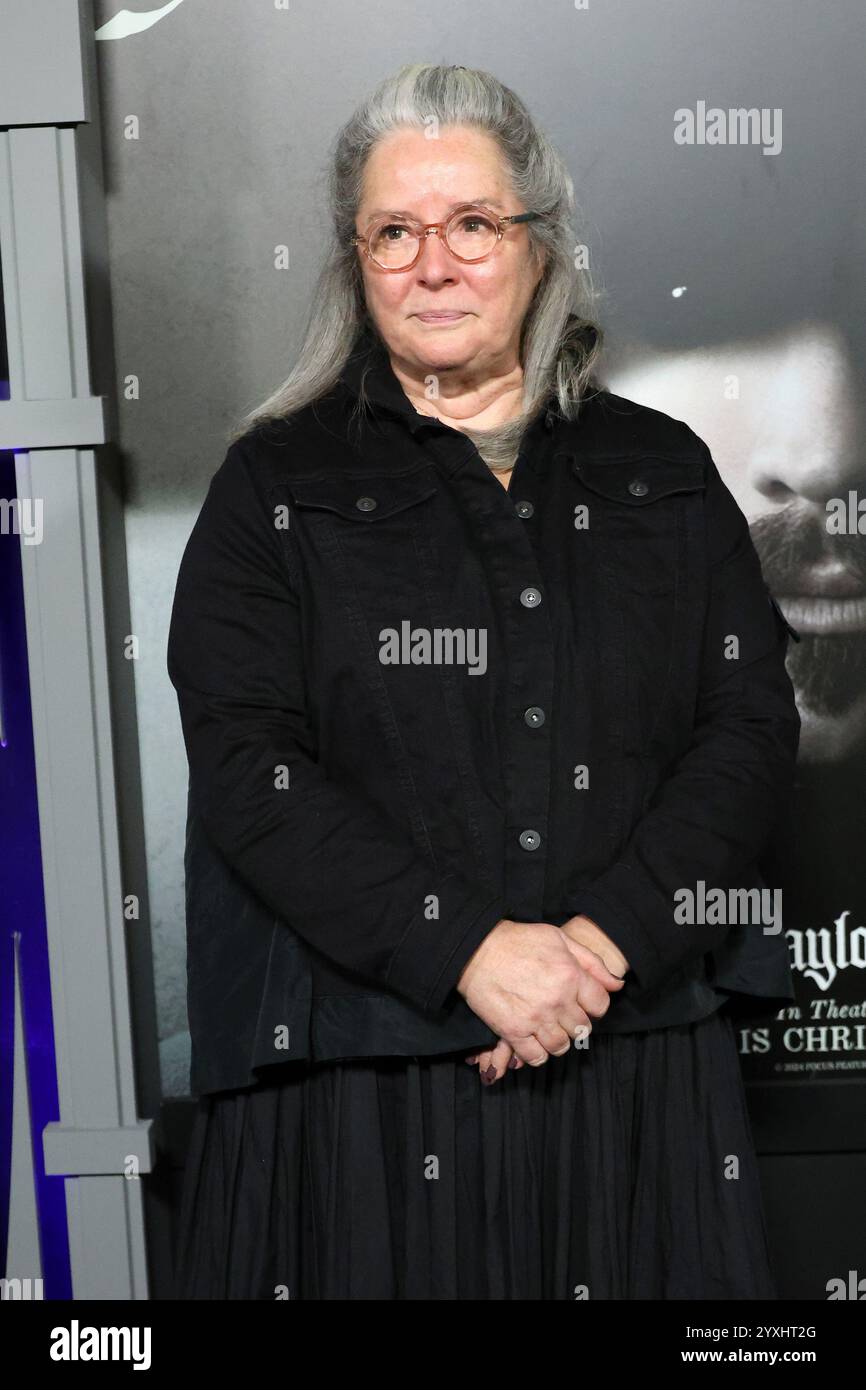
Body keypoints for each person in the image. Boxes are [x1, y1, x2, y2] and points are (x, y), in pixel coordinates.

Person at [167, 63, 800, 1300]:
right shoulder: (271, 490)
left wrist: (594, 946)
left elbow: (746, 725)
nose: (433, 264)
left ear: (536, 244)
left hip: (631, 1071)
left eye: (470, 225)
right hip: (358, 1094)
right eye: (393, 233)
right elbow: (250, 766)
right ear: (357, 262)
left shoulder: (660, 470)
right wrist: (465, 950)